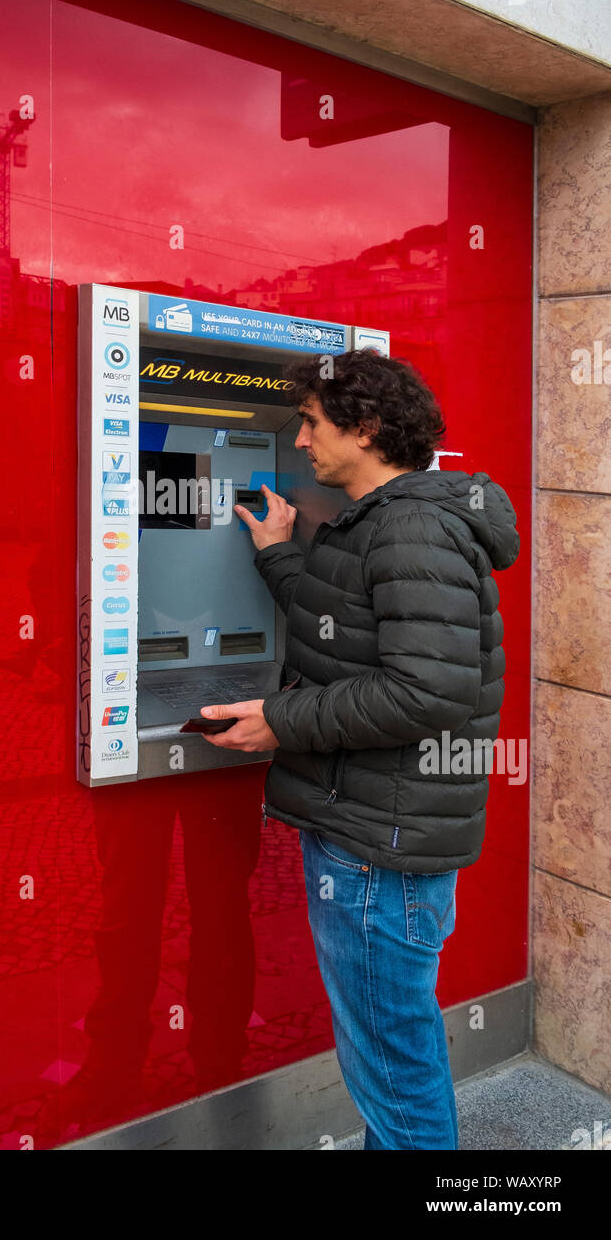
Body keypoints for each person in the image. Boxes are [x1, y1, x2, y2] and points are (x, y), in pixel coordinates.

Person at [199, 348, 520, 1150]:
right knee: (388, 1060)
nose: (300, 442)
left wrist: (282, 721)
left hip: (382, 846)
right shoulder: (389, 522)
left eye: (310, 423)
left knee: (394, 1074)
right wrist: (278, 551)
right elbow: (340, 623)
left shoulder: (412, 527)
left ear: (366, 428)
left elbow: (430, 693)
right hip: (380, 828)